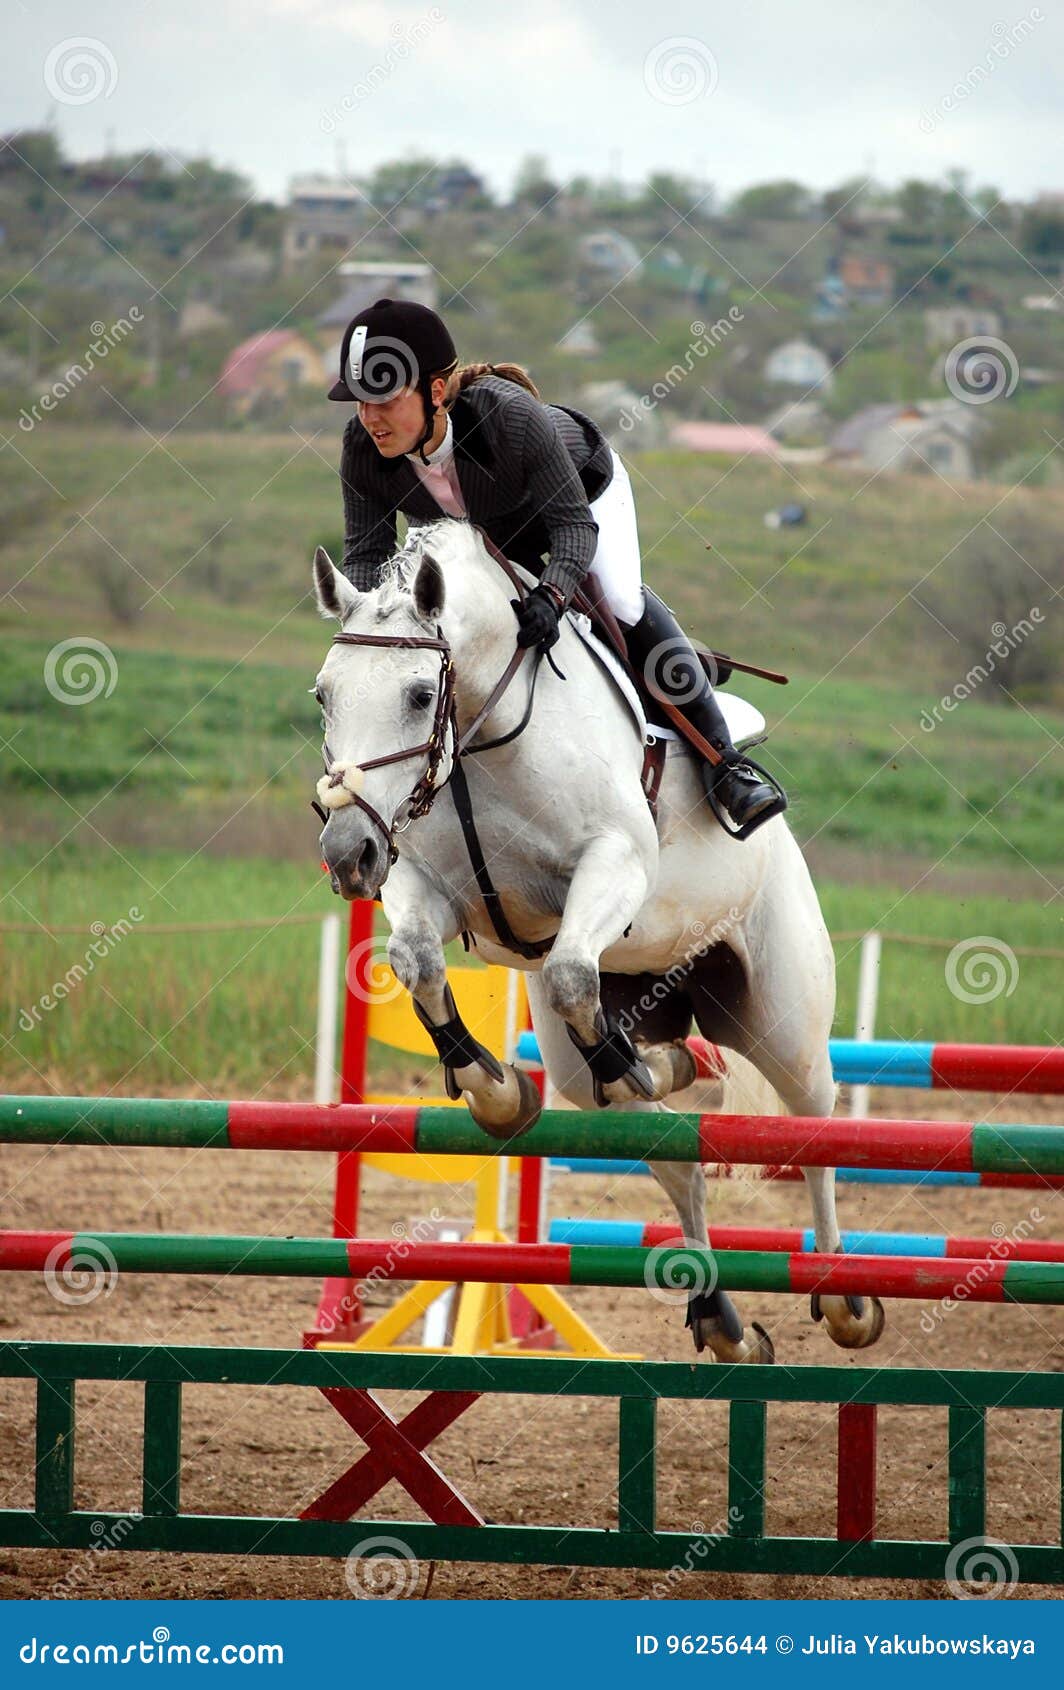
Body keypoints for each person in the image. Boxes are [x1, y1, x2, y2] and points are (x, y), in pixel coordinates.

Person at [330, 297, 784, 835]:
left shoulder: (509, 420)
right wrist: (367, 631)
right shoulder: (362, 447)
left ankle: (726, 764)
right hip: (485, 531)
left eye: (383, 399)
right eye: (358, 401)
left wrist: (551, 596)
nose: (368, 417)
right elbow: (367, 557)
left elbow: (573, 530)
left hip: (579, 498)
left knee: (617, 602)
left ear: (434, 392)